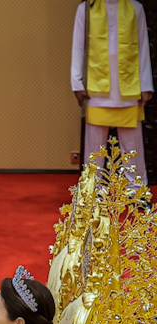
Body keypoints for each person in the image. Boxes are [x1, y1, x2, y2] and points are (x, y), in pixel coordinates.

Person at [72, 0, 153, 191]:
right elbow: (78, 47)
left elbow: (143, 47)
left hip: (129, 89)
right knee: (94, 149)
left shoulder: (135, 8)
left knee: (132, 147)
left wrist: (145, 85)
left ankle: (137, 191)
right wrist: (77, 82)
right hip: (96, 90)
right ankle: (92, 193)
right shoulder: (86, 9)